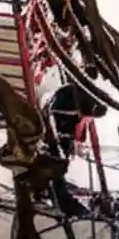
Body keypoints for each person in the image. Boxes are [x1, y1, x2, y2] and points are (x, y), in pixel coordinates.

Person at [45, 82, 108, 217]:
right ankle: (60, 196)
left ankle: (59, 188)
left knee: (62, 145)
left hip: (63, 103)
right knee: (59, 149)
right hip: (60, 108)